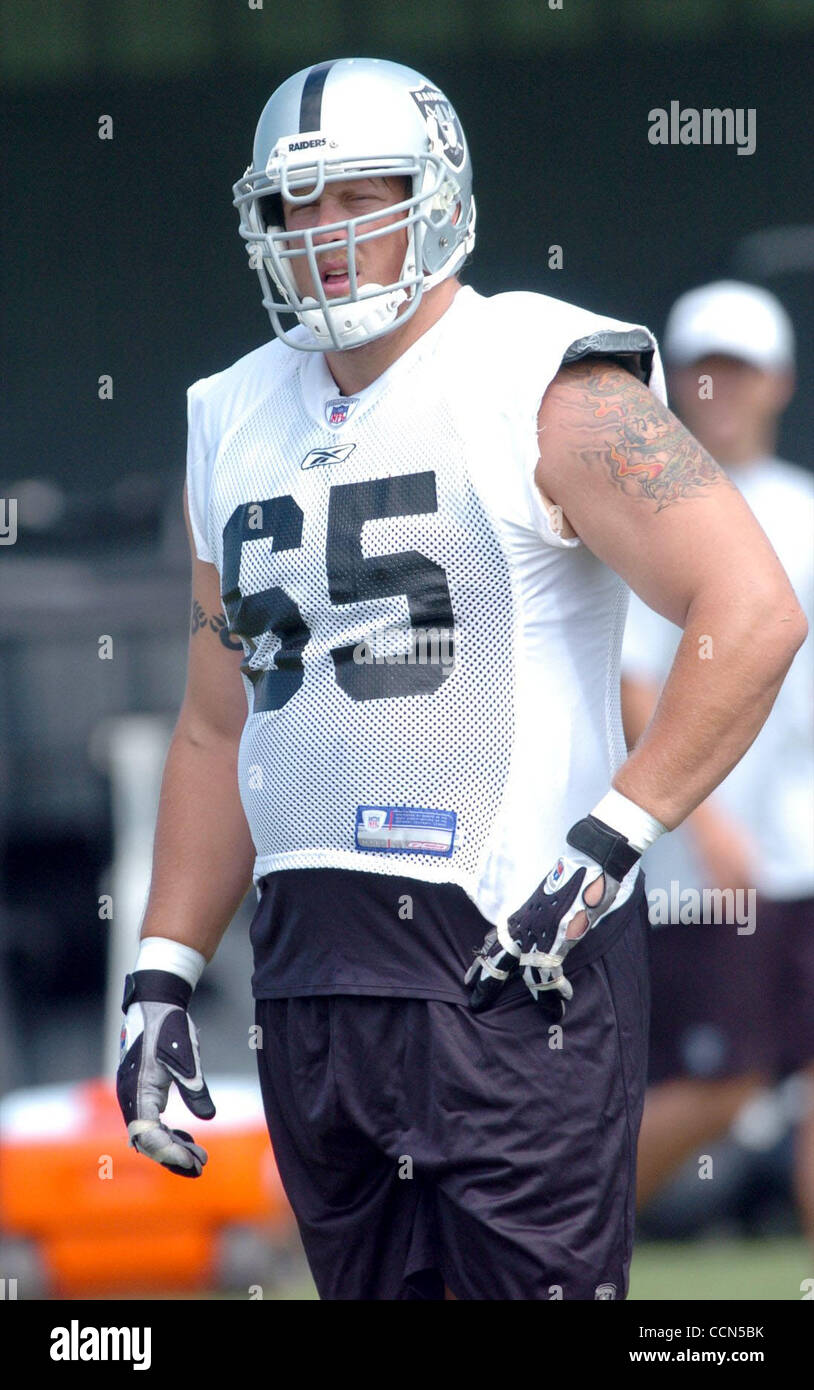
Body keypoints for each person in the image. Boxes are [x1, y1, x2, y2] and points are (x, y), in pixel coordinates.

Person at [114, 60, 807, 1300]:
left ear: (432, 193)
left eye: (353, 194)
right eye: (294, 206)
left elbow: (749, 611)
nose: (323, 235)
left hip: (503, 940)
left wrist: (611, 838)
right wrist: (162, 965)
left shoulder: (543, 373)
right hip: (310, 969)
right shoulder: (229, 413)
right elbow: (221, 726)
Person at [621, 281, 814, 1234]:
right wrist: (705, 820)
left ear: (778, 382)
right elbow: (633, 690)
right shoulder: (646, 511)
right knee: (717, 1086)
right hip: (704, 867)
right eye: (701, 369)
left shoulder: (808, 511)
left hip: (804, 852)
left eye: (738, 370)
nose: (718, 389)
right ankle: (542, 1239)